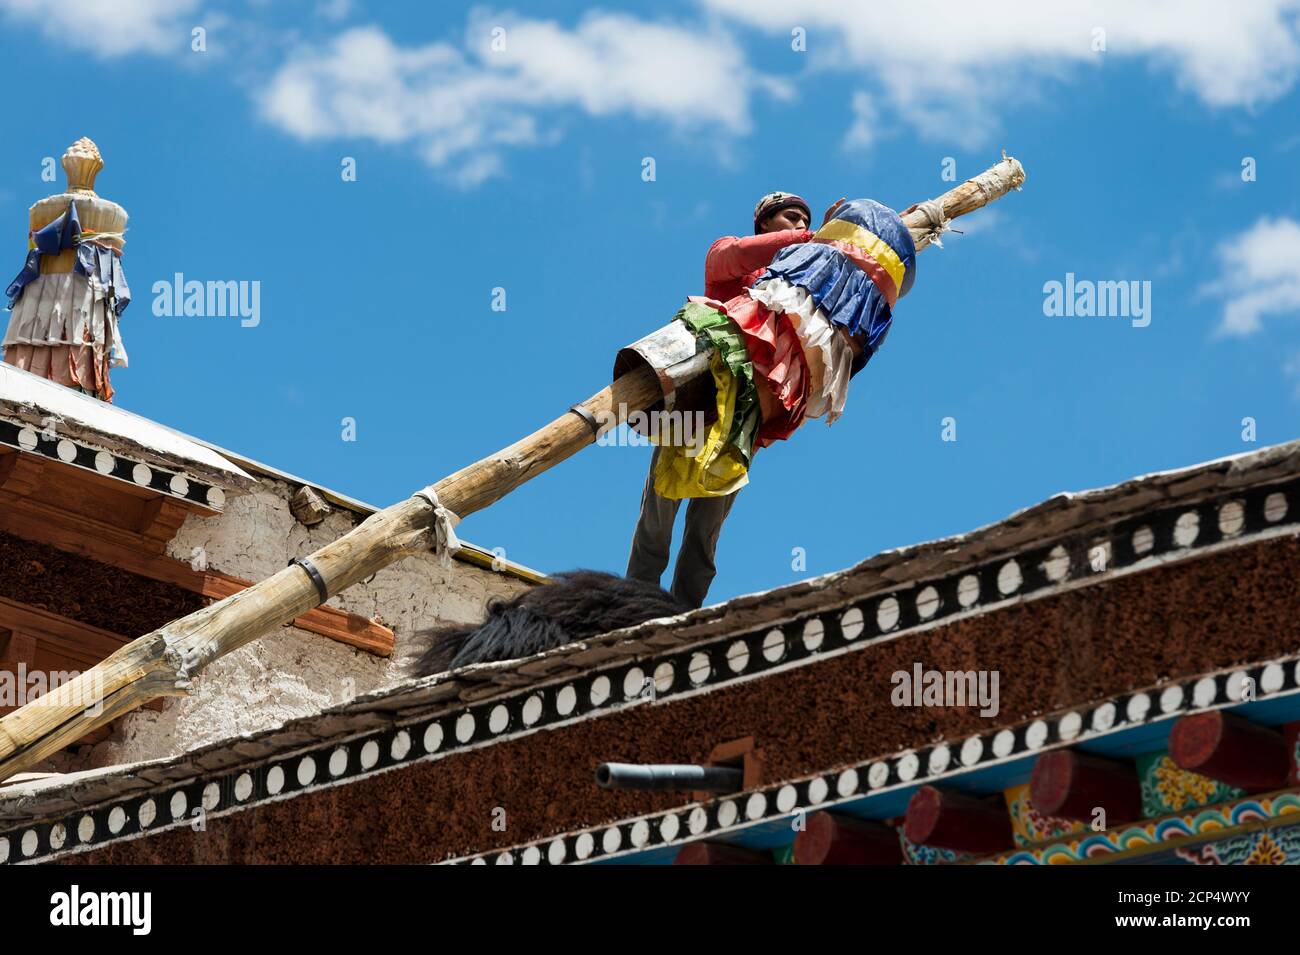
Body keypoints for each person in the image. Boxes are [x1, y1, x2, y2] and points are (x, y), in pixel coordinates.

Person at [626, 191, 844, 609]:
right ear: (764, 223)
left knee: (706, 532)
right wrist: (819, 236)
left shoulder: (793, 294)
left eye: (804, 220)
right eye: (790, 218)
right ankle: (632, 606)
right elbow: (736, 254)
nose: (799, 226)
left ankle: (684, 616)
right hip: (697, 406)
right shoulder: (731, 260)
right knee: (658, 516)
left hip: (742, 419)